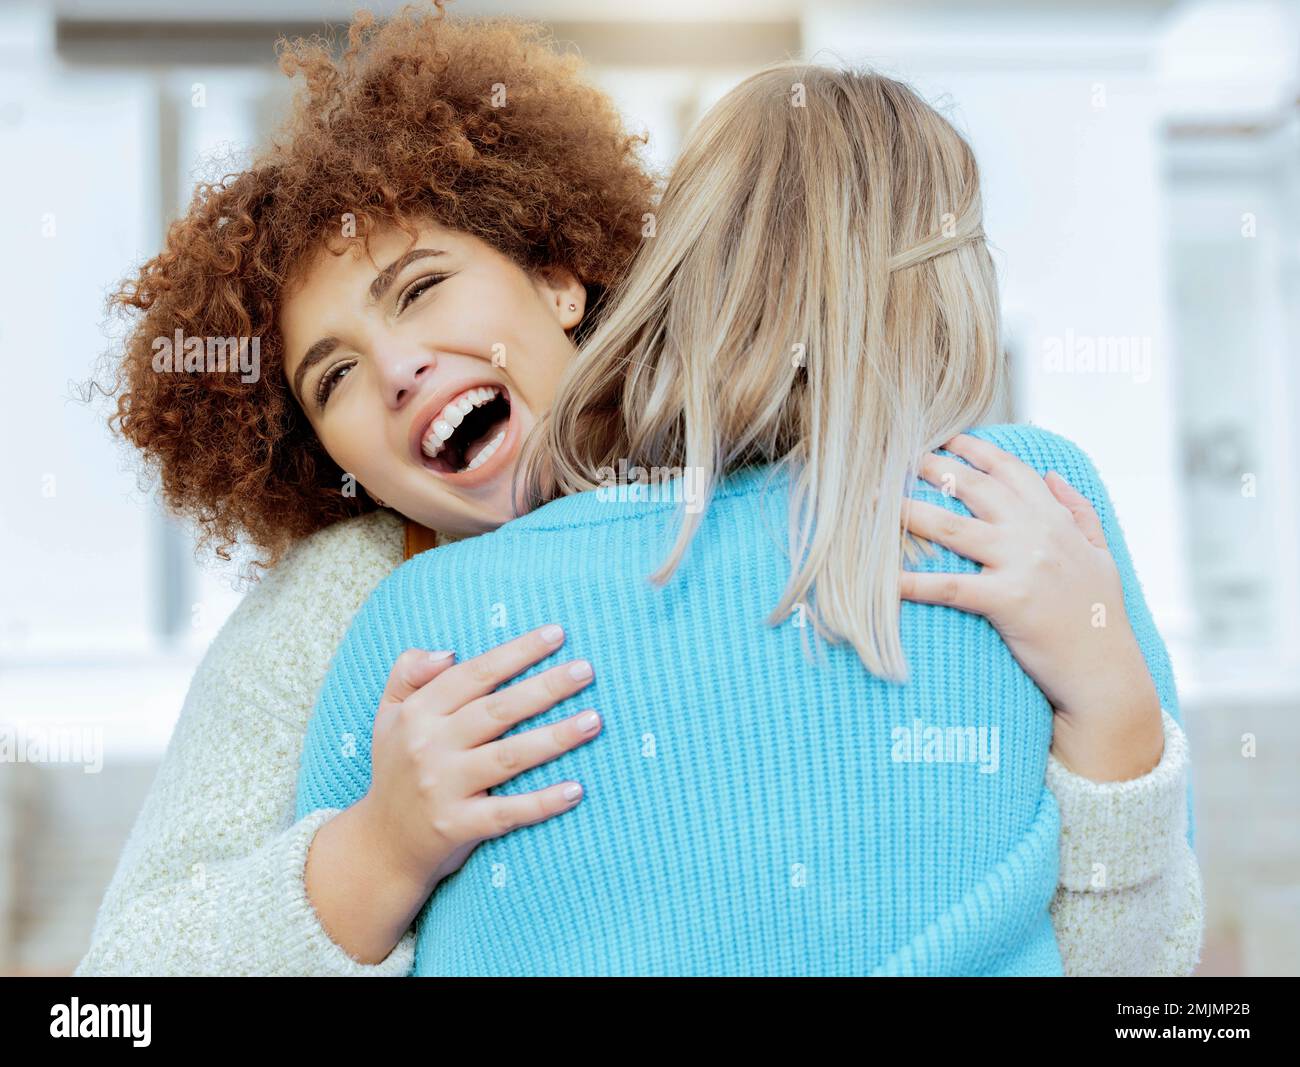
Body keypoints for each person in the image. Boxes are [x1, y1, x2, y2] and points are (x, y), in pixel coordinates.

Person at [294, 62, 1203, 975]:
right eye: (332, 377)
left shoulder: (411, 630)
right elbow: (1143, 964)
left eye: (420, 289)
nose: (399, 369)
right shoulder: (1018, 496)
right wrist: (1114, 695)